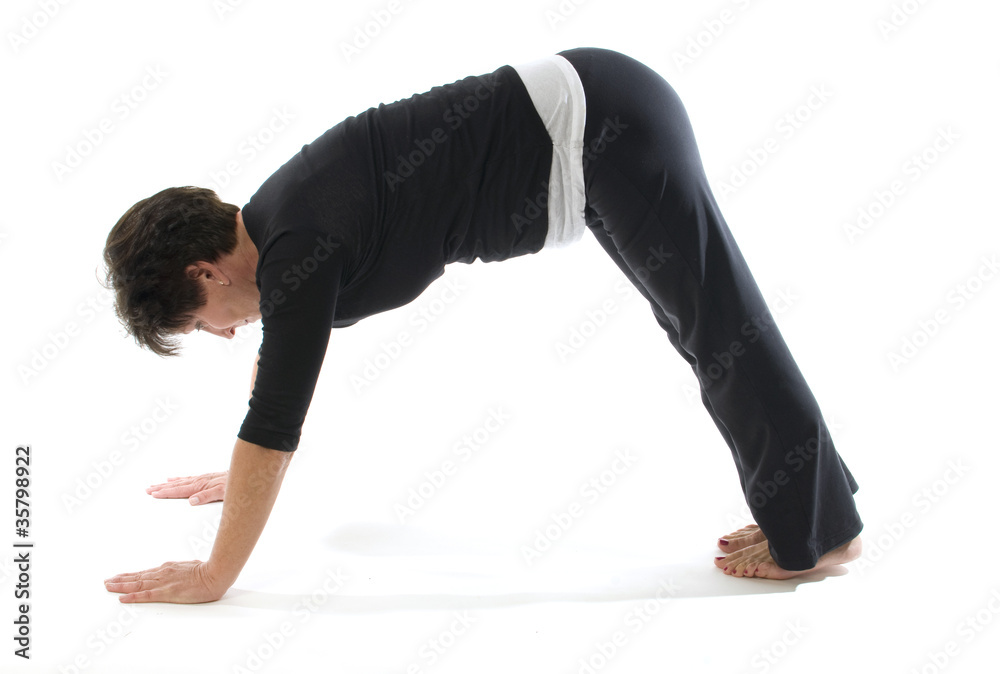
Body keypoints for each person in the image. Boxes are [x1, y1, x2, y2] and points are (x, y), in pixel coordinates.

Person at [102, 47, 862, 604]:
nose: (225, 334)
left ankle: (815, 534)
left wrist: (212, 576)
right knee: (704, 331)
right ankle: (813, 510)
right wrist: (239, 473)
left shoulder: (296, 250)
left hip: (603, 127)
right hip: (597, 128)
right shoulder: (279, 230)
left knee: (720, 330)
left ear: (205, 272)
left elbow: (273, 425)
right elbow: (277, 373)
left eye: (202, 324)